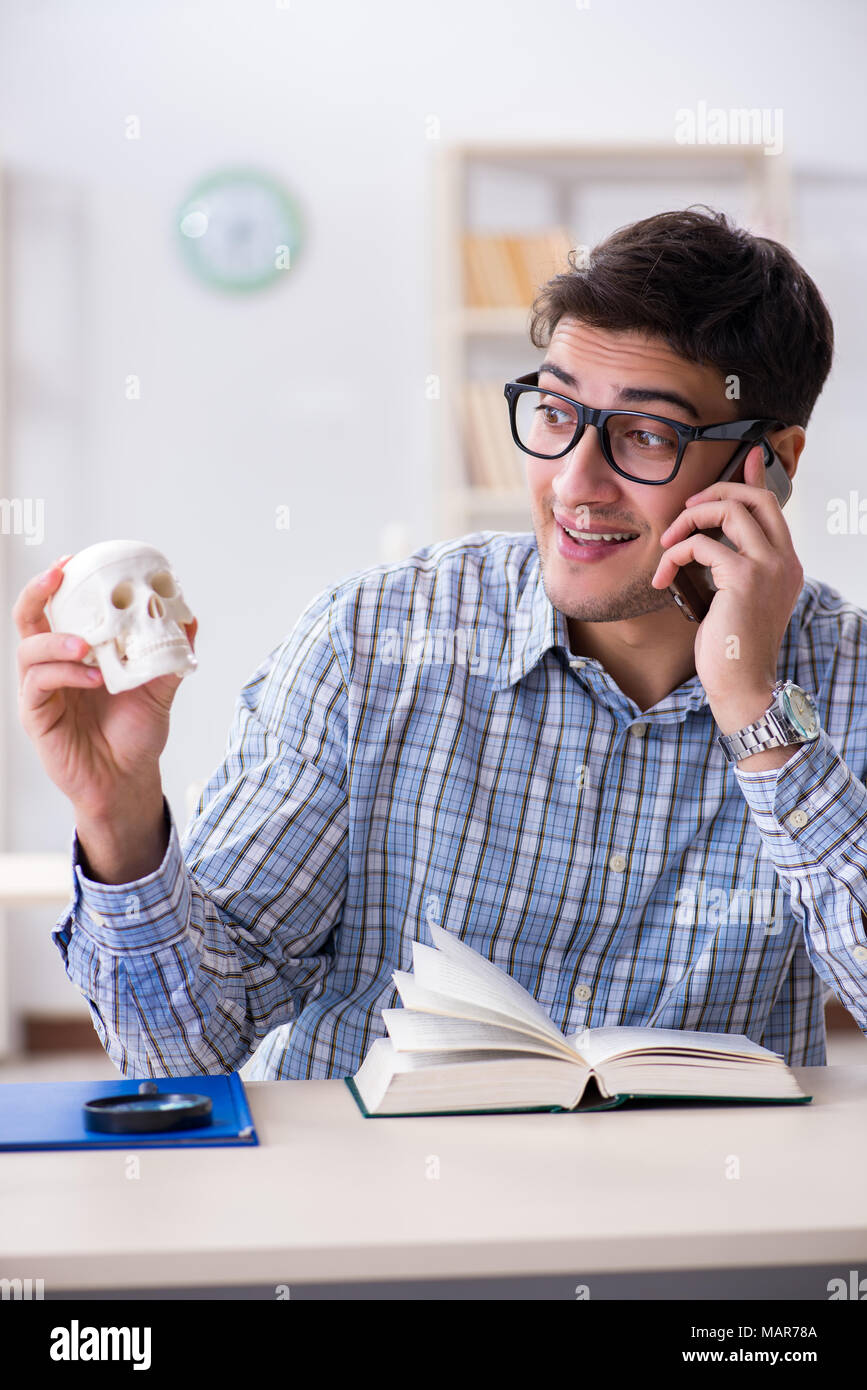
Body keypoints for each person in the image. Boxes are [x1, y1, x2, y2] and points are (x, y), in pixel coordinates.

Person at [15, 207, 865, 1082]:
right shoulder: (369, 642)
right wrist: (118, 818)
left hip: (697, 1211)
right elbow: (180, 1047)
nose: (574, 483)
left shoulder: (845, 678)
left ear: (767, 464)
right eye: (555, 411)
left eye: (644, 435)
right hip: (375, 1210)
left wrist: (759, 715)